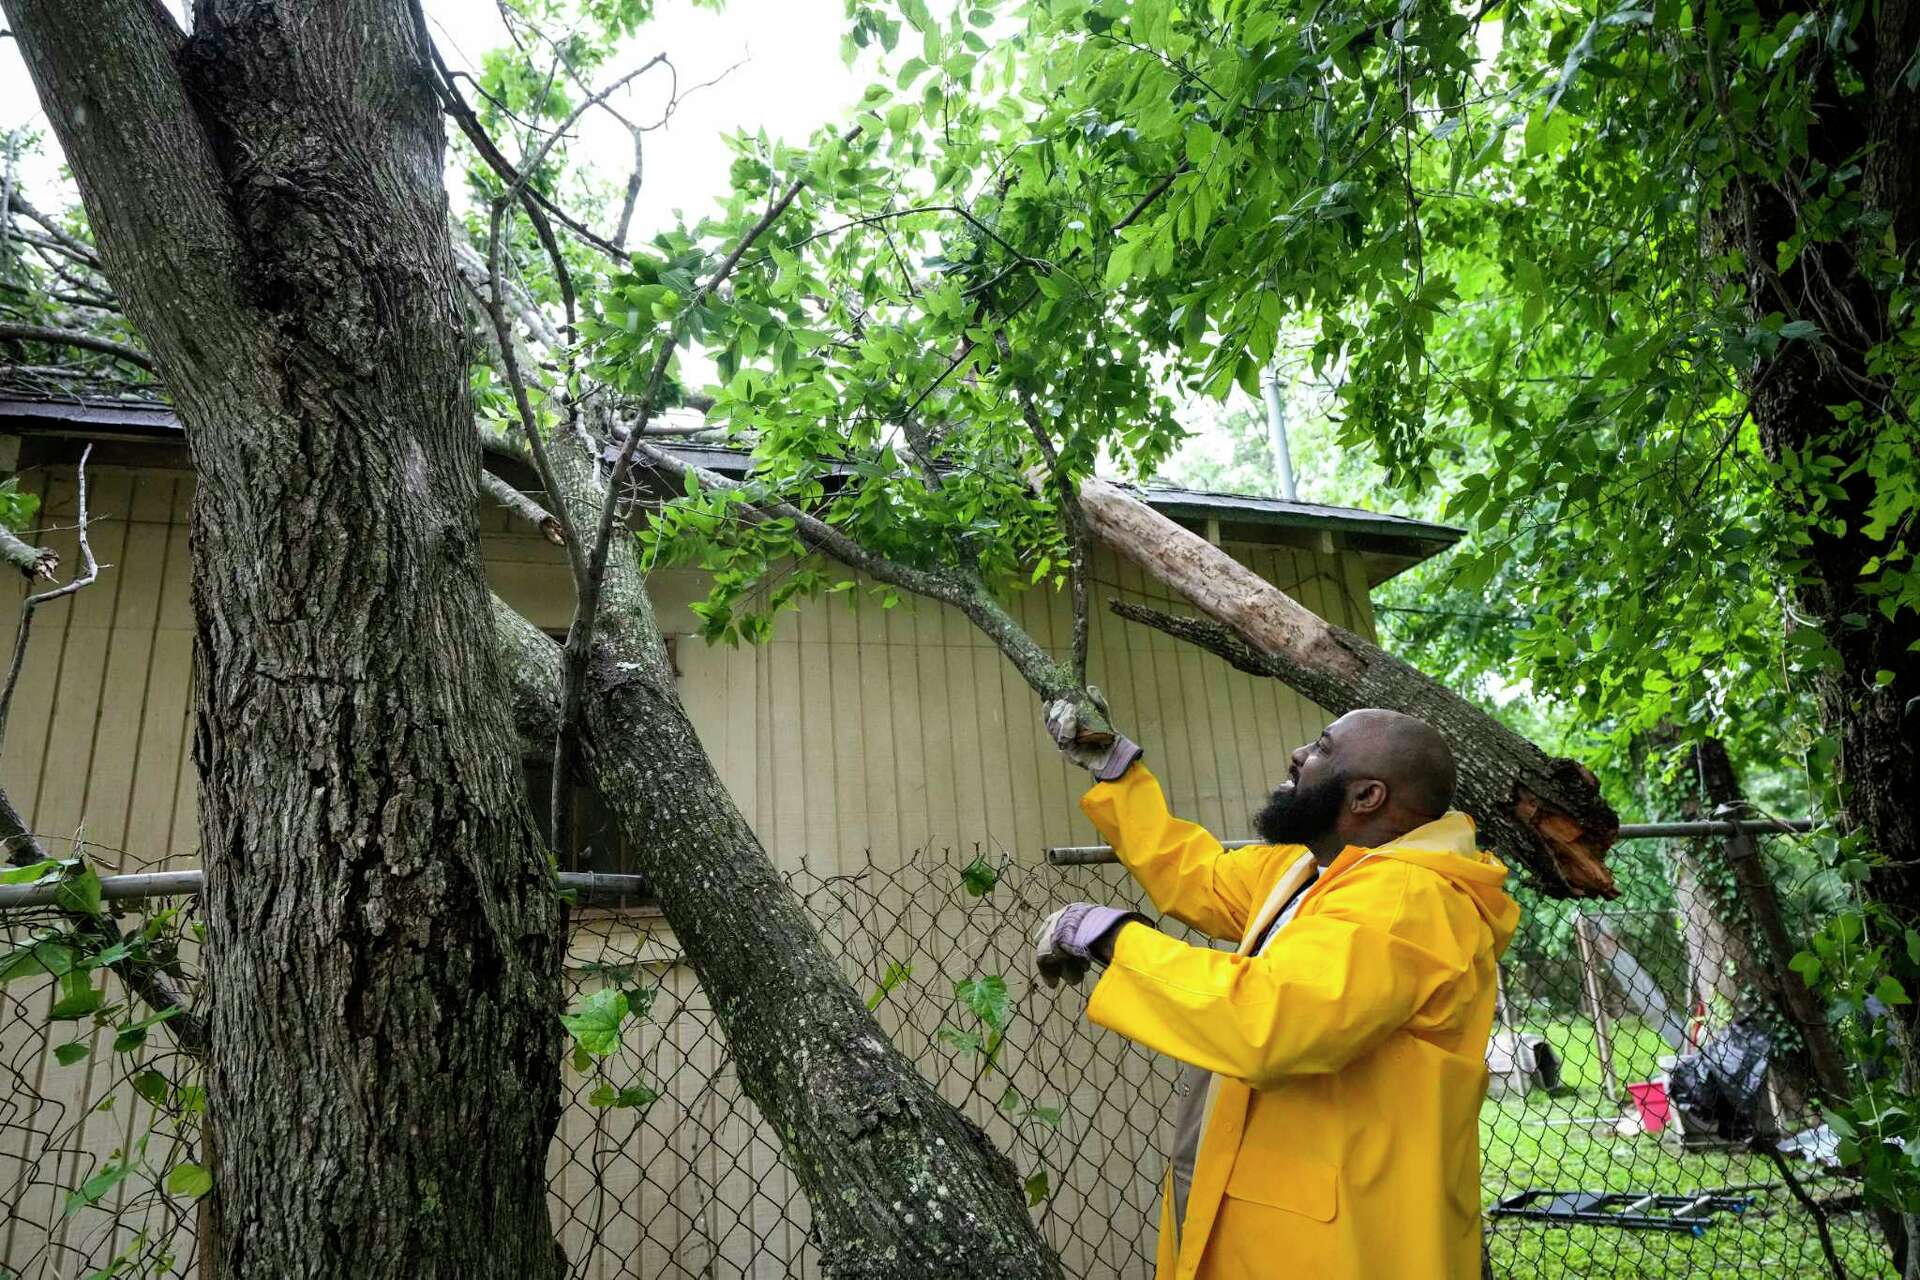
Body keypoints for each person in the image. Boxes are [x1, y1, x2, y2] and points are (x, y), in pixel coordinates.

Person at [1034, 699, 1518, 1280]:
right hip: (1267, 1204)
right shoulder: (1314, 869)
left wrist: (1112, 937)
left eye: (1322, 748)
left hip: (1343, 1243)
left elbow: (1269, 1021)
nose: (1299, 755)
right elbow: (1201, 878)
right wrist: (1116, 769)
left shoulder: (1406, 900)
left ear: (1367, 797)